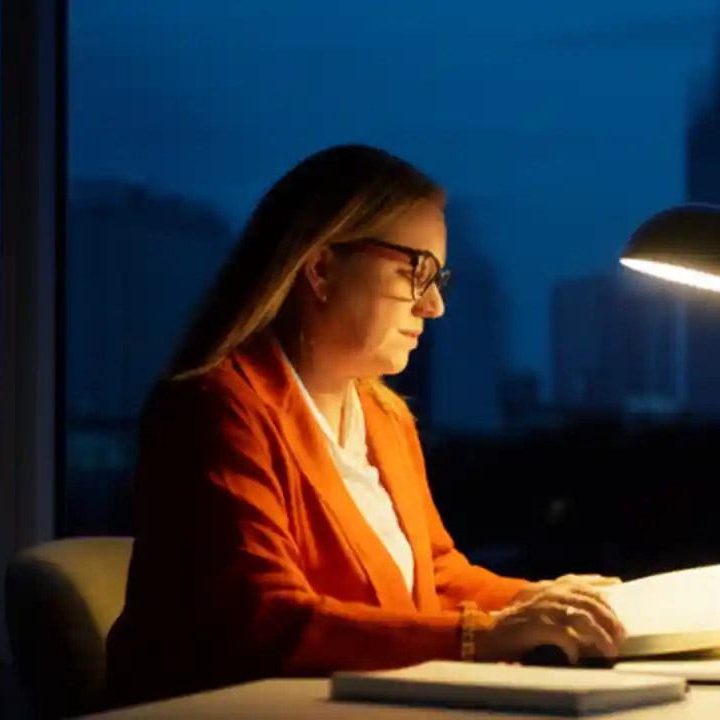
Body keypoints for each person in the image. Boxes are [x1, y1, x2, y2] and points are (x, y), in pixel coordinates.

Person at [104, 144, 627, 706]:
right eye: (415, 271)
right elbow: (265, 620)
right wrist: (485, 635)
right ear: (322, 268)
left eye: (438, 278)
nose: (434, 307)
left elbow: (434, 576)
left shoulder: (383, 415)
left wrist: (542, 601)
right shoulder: (216, 408)